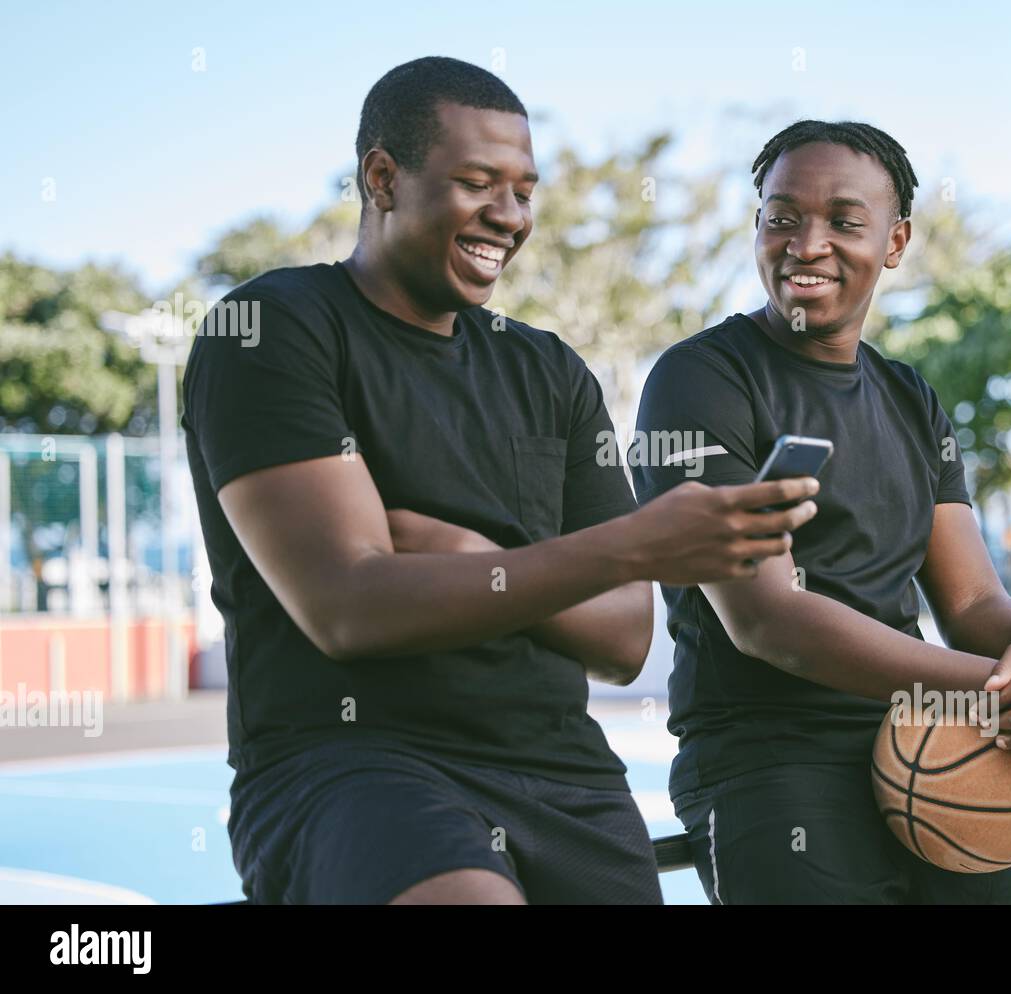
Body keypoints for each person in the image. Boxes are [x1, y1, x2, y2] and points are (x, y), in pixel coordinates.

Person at [182, 57, 818, 905]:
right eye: (478, 183)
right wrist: (621, 548)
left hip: (562, 776)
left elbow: (625, 638)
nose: (508, 216)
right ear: (381, 178)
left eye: (524, 190)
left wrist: (470, 550)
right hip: (356, 765)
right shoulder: (271, 330)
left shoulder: (549, 368)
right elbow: (349, 606)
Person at [631, 119, 1011, 904]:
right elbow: (769, 621)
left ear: (894, 242)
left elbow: (971, 602)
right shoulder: (699, 382)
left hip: (935, 745)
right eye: (781, 217)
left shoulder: (910, 398)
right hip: (770, 763)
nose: (806, 242)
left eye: (844, 222)